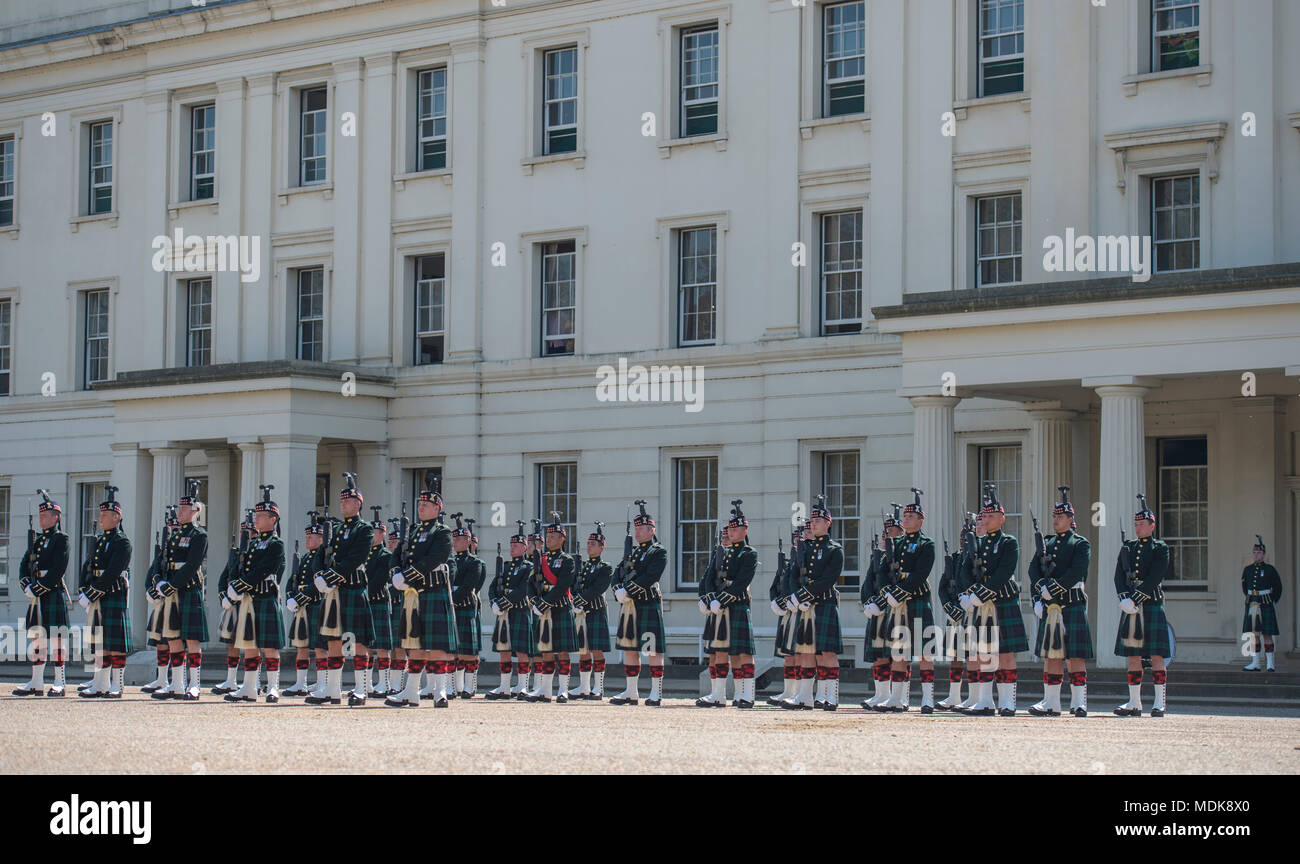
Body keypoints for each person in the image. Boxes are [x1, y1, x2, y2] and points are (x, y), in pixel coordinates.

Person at [386, 474, 457, 708]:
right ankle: (411, 691)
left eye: (426, 504)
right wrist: (396, 572)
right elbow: (396, 555)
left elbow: (434, 558)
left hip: (433, 591)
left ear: (437, 507)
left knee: (436, 646)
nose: (421, 507)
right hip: (414, 594)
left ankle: (441, 692)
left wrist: (406, 576)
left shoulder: (442, 532)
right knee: (413, 643)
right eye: (419, 504)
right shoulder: (413, 531)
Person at [307, 473, 375, 706]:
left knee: (358, 642)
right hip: (334, 592)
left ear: (358, 504)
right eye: (342, 502)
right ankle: (332, 690)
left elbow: (356, 558)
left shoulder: (364, 530)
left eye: (347, 501)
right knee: (333, 640)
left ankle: (361, 689)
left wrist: (331, 576)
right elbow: (320, 555)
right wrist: (319, 576)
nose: (343, 505)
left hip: (353, 588)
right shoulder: (334, 529)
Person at [958, 484, 1026, 716]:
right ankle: (986, 701)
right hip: (982, 604)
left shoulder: (1009, 542)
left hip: (1001, 601)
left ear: (1002, 518)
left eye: (990, 516)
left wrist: (980, 594)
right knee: (985, 653)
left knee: (1006, 653)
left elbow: (1003, 573)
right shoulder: (978, 542)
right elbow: (965, 569)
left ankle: (1009, 702)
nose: (985, 520)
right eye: (984, 516)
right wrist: (969, 592)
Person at [1028, 487, 1093, 717]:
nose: (1056, 520)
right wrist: (1039, 593)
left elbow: (1077, 571)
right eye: (1054, 516)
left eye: (1060, 517)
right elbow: (1033, 570)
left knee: (1075, 657)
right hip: (1051, 607)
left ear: (1070, 519)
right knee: (1051, 656)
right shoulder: (1047, 543)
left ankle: (1079, 702)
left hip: (1072, 603)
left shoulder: (1080, 544)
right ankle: (1051, 702)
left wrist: (1052, 589)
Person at [869, 489, 936, 713]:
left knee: (925, 652)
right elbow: (882, 572)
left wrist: (898, 592)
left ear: (920, 520)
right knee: (898, 652)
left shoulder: (927, 544)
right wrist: (887, 591)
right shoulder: (895, 544)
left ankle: (928, 699)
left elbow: (920, 574)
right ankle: (896, 699)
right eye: (905, 517)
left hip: (916, 599)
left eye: (910, 517)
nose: (906, 520)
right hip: (897, 604)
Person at [223, 485, 287, 703]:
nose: (256, 519)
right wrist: (234, 586)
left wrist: (240, 585)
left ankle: (273, 687)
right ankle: (249, 688)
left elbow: (263, 570)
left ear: (273, 519)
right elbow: (243, 568)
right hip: (251, 599)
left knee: (269, 646)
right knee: (250, 645)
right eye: (257, 515)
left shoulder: (276, 544)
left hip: (266, 596)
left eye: (261, 516)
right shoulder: (253, 543)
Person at [781, 494, 843, 711]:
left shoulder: (835, 550)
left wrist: (803, 595)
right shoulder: (804, 549)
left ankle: (830, 696)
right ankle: (805, 697)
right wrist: (796, 596)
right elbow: (795, 574)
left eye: (817, 521)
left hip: (824, 604)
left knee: (827, 652)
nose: (812, 524)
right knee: (806, 651)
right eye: (811, 521)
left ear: (827, 523)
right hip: (805, 606)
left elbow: (828, 579)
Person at [1113, 494, 1172, 717]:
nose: (1137, 528)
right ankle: (1134, 702)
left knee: (1156, 655)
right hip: (1131, 607)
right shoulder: (1128, 547)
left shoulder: (1160, 548)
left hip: (1151, 604)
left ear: (1151, 525)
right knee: (1133, 656)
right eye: (1135, 524)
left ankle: (1159, 702)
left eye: (1141, 524)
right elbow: (1118, 576)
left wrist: (1135, 599)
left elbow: (1155, 577)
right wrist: (1123, 599)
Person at [698, 500, 758, 709]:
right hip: (718, 608)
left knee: (743, 653)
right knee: (720, 652)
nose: (731, 532)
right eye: (730, 528)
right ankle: (718, 694)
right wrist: (707, 599)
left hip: (736, 606)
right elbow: (708, 579)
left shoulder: (748, 553)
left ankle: (746, 694)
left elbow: (742, 582)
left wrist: (720, 600)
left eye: (735, 528)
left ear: (744, 530)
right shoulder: (720, 552)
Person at [153, 480, 209, 701]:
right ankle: (176, 684)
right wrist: (158, 580)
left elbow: (192, 564)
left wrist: (172, 585)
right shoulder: (174, 534)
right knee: (173, 639)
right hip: (170, 590)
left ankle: (194, 685)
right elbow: (161, 560)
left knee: (192, 640)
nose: (180, 512)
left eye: (184, 509)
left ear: (195, 511)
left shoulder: (199, 535)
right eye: (179, 508)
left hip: (186, 588)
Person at [610, 501, 668, 707]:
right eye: (635, 528)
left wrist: (629, 589)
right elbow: (616, 573)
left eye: (641, 528)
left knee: (651, 650)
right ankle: (631, 691)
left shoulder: (658, 552)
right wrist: (617, 589)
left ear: (651, 530)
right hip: (629, 607)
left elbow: (651, 576)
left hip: (647, 604)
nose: (637, 531)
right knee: (630, 649)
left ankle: (655, 692)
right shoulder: (631, 553)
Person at [14, 490, 71, 697]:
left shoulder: (60, 539)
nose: (41, 519)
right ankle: (36, 681)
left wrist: (38, 587)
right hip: (37, 594)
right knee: (37, 639)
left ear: (56, 517)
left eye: (45, 515)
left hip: (51, 591)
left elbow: (58, 569)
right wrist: (26, 585)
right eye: (40, 516)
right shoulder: (37, 541)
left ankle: (59, 682)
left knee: (57, 639)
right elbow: (23, 565)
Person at [77, 486, 133, 699]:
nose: (100, 519)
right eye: (100, 515)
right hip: (97, 593)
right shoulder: (100, 541)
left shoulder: (122, 542)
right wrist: (84, 588)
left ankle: (117, 685)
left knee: (115, 643)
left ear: (116, 517)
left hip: (112, 593)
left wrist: (92, 593)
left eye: (104, 515)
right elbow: (88, 566)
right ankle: (100, 684)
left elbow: (112, 572)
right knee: (100, 642)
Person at [527, 513, 580, 702]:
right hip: (543, 610)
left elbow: (563, 585)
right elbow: (530, 583)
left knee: (563, 651)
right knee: (546, 650)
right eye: (547, 536)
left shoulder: (567, 560)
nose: (548, 539)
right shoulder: (541, 560)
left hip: (560, 608)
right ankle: (545, 690)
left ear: (561, 538)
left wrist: (544, 603)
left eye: (552, 536)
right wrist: (534, 600)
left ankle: (563, 690)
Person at [486, 522, 535, 699]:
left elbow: (523, 589)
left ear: (524, 547)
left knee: (522, 652)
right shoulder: (505, 567)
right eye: (511, 545)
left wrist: (503, 603)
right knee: (504, 651)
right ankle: (504, 686)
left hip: (519, 612)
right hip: (504, 615)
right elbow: (492, 587)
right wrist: (493, 602)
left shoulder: (528, 567)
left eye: (516, 545)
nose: (512, 548)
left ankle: (522, 686)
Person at [570, 522, 613, 699]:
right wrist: (574, 599)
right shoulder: (582, 566)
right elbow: (573, 585)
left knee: (596, 650)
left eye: (593, 544)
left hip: (595, 611)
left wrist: (580, 600)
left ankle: (599, 687)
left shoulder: (606, 567)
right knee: (583, 650)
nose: (589, 546)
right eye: (588, 543)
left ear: (602, 547)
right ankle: (584, 686)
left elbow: (598, 588)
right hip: (581, 613)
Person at [283, 518, 324, 697]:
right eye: (307, 536)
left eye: (312, 536)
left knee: (322, 648)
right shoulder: (306, 557)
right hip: (302, 607)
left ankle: (323, 683)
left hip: (316, 603)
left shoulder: (322, 557)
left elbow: (317, 583)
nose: (308, 539)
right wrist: (289, 596)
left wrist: (299, 598)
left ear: (321, 539)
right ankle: (301, 683)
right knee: (302, 646)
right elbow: (293, 579)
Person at [768, 520, 805, 706]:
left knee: (799, 654)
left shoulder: (805, 561)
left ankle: (799, 693)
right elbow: (776, 585)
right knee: (788, 655)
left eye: (800, 538)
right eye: (795, 539)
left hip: (799, 609)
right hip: (786, 612)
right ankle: (788, 691)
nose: (797, 541)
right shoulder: (789, 562)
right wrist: (775, 601)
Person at [450, 516, 486, 698]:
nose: (454, 542)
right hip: (453, 608)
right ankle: (455, 686)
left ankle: (470, 687)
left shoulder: (475, 563)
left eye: (458, 539)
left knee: (468, 652)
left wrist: (451, 599)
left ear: (467, 541)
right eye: (453, 539)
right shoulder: (450, 561)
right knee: (454, 651)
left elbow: (471, 586)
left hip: (464, 607)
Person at [364, 508, 394, 697]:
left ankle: (385, 682)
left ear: (382, 534)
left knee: (382, 646)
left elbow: (378, 580)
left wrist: (363, 593)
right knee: (365, 645)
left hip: (378, 600)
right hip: (366, 602)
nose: (372, 536)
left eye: (375, 533)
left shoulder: (386, 555)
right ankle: (366, 683)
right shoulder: (365, 554)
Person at [1241, 535, 1282, 672]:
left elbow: (1278, 587)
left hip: (1265, 603)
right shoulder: (1248, 570)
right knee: (1253, 635)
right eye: (1254, 552)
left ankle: (1270, 663)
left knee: (1267, 634)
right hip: (1252, 603)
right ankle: (1255, 662)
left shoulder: (1270, 570)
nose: (1256, 554)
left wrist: (1271, 600)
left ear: (1264, 554)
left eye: (1258, 552)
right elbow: (1244, 587)